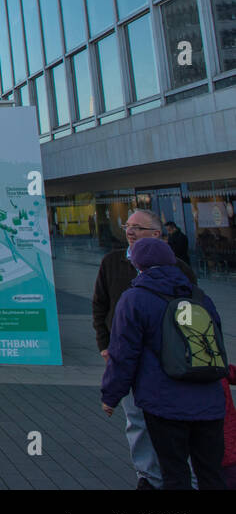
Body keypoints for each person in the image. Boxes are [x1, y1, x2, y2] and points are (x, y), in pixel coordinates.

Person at [101, 237, 228, 489]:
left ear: (138, 264)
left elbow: (123, 354)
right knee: (211, 475)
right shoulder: (200, 296)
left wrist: (110, 395)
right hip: (209, 401)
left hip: (164, 402)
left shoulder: (134, 298)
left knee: (174, 473)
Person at [92, 208, 197, 489]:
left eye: (138, 227)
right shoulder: (112, 262)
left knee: (173, 421)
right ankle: (148, 477)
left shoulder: (179, 269)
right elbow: (100, 304)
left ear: (156, 234)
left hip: (168, 360)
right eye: (128, 225)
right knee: (136, 420)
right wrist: (104, 344)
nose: (130, 231)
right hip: (127, 356)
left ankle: (182, 475)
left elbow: (196, 316)